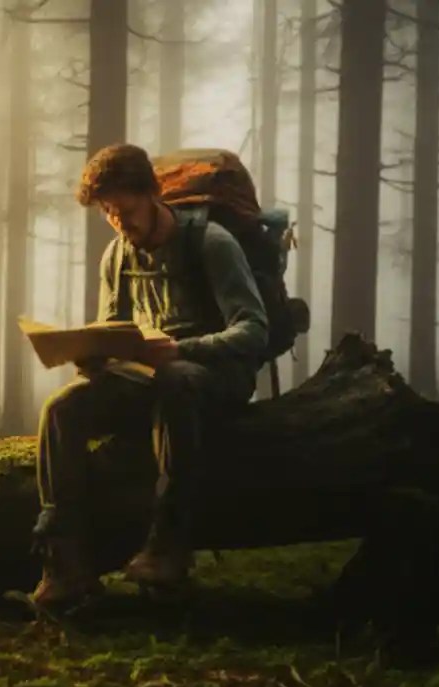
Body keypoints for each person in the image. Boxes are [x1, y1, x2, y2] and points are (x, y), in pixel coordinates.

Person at [30, 143, 269, 606]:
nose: (120, 223)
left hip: (214, 376)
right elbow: (112, 330)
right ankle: (64, 562)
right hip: (148, 378)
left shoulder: (211, 243)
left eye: (126, 210)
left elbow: (254, 329)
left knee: (176, 379)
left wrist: (181, 348)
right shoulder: (117, 257)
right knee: (63, 408)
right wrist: (94, 357)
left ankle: (168, 546)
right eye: (108, 213)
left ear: (152, 194)